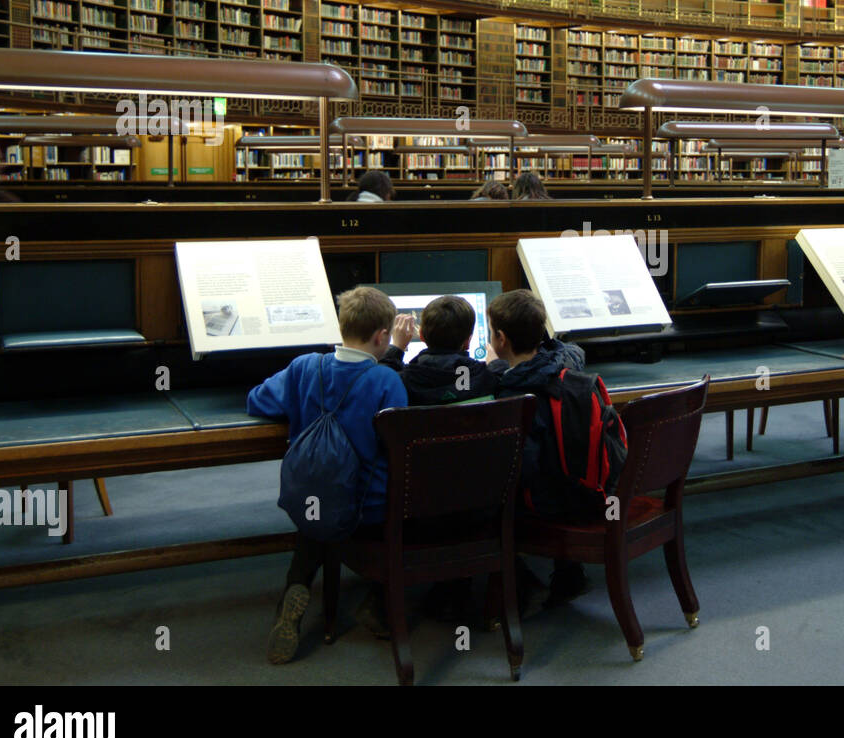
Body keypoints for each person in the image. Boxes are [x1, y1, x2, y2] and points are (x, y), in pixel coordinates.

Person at [247, 285, 416, 664]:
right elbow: (398, 445)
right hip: (366, 508)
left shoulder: (305, 366)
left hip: (309, 497)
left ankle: (295, 589)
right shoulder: (386, 381)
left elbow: (257, 399)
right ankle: (378, 599)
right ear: (382, 337)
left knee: (316, 518)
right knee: (358, 505)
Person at [380, 294, 511, 620]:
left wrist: (396, 348)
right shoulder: (487, 378)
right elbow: (496, 375)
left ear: (421, 335)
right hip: (479, 507)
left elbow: (380, 379)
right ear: (469, 340)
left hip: (416, 513)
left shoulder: (403, 381)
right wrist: (496, 362)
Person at [488, 289, 591, 609]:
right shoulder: (568, 364)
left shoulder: (514, 397)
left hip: (545, 503)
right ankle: (569, 571)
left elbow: (522, 470)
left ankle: (516, 582)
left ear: (500, 339)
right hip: (585, 490)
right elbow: (572, 349)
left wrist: (495, 371)